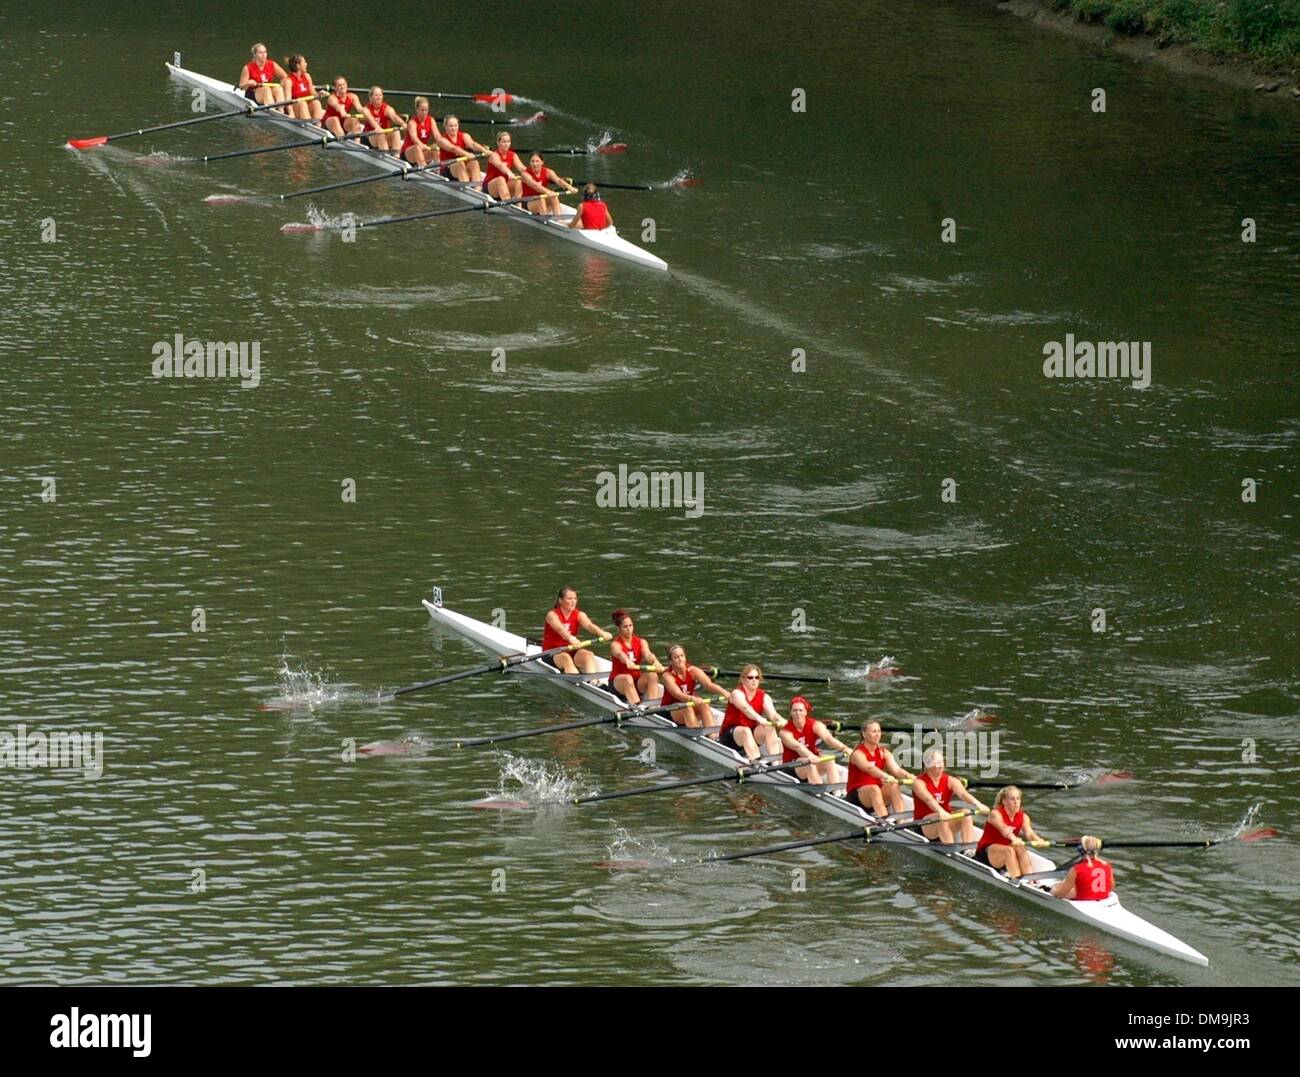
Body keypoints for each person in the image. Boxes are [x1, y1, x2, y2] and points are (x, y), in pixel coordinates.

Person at [912, 749, 988, 845]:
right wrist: (941, 812)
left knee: (966, 813)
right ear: (927, 765)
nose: (941, 766)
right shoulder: (918, 783)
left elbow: (964, 794)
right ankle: (950, 850)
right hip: (924, 825)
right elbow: (929, 800)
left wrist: (978, 804)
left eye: (942, 762)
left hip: (945, 818)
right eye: (937, 763)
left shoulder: (950, 780)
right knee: (941, 819)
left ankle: (968, 849)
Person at [845, 719, 912, 816]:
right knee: (874, 789)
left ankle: (901, 821)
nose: (877, 735)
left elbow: (896, 770)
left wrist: (909, 776)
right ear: (864, 734)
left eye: (879, 731)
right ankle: (884, 821)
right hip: (858, 796)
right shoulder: (858, 754)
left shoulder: (884, 753)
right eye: (873, 731)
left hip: (876, 794)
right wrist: (886, 776)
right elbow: (869, 768)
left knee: (894, 785)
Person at [717, 665, 783, 763]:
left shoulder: (764, 697)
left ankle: (775, 765)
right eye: (750, 677)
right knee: (746, 731)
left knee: (770, 728)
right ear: (743, 679)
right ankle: (755, 762)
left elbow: (773, 714)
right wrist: (758, 718)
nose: (754, 680)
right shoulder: (736, 694)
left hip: (751, 734)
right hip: (730, 736)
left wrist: (781, 721)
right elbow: (746, 709)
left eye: (756, 677)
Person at [973, 786, 1042, 879]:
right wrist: (1014, 838)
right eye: (1012, 799)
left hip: (1003, 853)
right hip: (986, 854)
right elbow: (1004, 830)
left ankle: (1030, 880)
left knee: (1020, 847)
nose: (1016, 802)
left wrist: (1038, 840)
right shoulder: (995, 814)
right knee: (1009, 851)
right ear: (1004, 801)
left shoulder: (1023, 816)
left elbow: (1029, 833)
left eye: (1018, 799)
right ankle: (1017, 880)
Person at [778, 696, 849, 785]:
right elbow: (798, 747)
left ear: (806, 712)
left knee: (829, 760)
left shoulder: (815, 725)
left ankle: (835, 792)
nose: (798, 713)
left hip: (812, 760)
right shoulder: (785, 732)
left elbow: (828, 739)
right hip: (792, 767)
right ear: (790, 713)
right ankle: (818, 790)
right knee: (809, 763)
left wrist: (844, 748)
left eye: (801, 710)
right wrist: (810, 756)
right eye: (795, 711)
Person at [541, 587, 609, 675]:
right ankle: (576, 680)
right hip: (552, 653)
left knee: (586, 654)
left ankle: (594, 681)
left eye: (575, 598)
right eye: (569, 598)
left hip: (571, 650)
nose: (573, 601)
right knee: (565, 658)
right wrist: (571, 639)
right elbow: (560, 629)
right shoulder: (552, 615)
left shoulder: (579, 615)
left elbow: (589, 625)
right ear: (561, 600)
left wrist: (602, 633)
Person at [659, 644, 727, 729]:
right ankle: (697, 735)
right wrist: (692, 698)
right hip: (669, 710)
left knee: (704, 704)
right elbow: (678, 694)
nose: (680, 660)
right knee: (687, 707)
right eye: (676, 658)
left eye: (682, 656)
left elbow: (709, 685)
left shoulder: (693, 670)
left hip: (687, 704)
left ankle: (713, 736)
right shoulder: (667, 676)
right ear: (671, 661)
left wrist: (725, 693)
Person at [608, 609, 662, 707]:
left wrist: (655, 662)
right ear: (618, 628)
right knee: (627, 678)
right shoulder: (615, 644)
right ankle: (638, 709)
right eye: (625, 627)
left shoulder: (641, 642)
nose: (629, 629)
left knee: (652, 675)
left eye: (630, 625)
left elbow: (648, 654)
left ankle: (652, 708)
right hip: (618, 684)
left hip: (636, 682)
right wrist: (627, 660)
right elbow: (620, 654)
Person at [1052, 836, 1115, 901]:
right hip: (1103, 900)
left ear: (1080, 850)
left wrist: (1052, 890)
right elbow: (1111, 888)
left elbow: (1060, 895)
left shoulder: (1076, 869)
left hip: (1082, 901)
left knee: (1056, 888)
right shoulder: (1107, 865)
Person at [437, 115, 487, 182]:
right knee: (459, 163)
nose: (454, 128)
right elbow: (454, 149)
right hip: (447, 169)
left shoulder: (464, 136)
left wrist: (484, 150)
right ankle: (466, 187)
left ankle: (477, 188)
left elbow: (473, 144)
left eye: (455, 125)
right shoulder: (441, 140)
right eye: (451, 126)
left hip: (462, 166)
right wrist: (467, 154)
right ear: (445, 127)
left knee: (474, 162)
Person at [483, 131, 524, 201]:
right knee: (501, 179)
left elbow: (522, 168)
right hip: (491, 188)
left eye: (508, 142)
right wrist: (509, 173)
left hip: (505, 186)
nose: (506, 144)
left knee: (518, 181)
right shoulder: (494, 155)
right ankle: (507, 205)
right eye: (504, 142)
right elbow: (500, 165)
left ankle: (518, 205)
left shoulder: (513, 155)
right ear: (498, 143)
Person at [281, 55, 323, 121]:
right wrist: (291, 114)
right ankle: (308, 124)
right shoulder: (288, 81)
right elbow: (287, 101)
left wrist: (319, 95)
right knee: (302, 103)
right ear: (298, 66)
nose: (306, 64)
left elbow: (313, 94)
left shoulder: (307, 76)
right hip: (296, 108)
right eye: (304, 62)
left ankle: (317, 124)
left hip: (306, 106)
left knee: (316, 103)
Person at [363, 87, 403, 154]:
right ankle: (386, 157)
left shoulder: (387, 108)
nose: (378, 97)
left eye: (380, 95)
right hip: (369, 137)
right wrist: (377, 128)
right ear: (371, 97)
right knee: (380, 133)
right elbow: (371, 120)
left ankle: (397, 156)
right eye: (376, 95)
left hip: (384, 134)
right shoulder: (366, 110)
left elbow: (395, 118)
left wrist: (403, 124)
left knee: (396, 131)